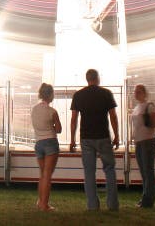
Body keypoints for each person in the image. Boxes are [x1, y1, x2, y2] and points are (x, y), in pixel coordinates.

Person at [69, 68, 119, 212]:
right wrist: (116, 135)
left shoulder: (78, 95)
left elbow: (74, 119)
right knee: (109, 169)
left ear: (87, 79)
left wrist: (72, 140)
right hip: (103, 136)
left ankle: (92, 205)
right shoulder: (106, 93)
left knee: (89, 172)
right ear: (97, 78)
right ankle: (113, 204)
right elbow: (113, 116)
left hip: (86, 138)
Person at [31, 83, 62, 211]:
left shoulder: (34, 109)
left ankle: (40, 201)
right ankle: (44, 204)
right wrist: (52, 127)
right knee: (47, 175)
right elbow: (59, 129)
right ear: (50, 95)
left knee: (42, 174)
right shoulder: (52, 112)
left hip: (38, 143)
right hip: (50, 143)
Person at [130, 84, 155, 208]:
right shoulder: (136, 108)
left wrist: (151, 120)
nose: (136, 93)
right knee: (144, 172)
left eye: (139, 91)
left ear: (144, 93)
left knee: (148, 171)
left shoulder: (150, 106)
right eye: (135, 91)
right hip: (139, 142)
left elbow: (154, 123)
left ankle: (148, 200)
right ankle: (146, 198)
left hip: (148, 141)